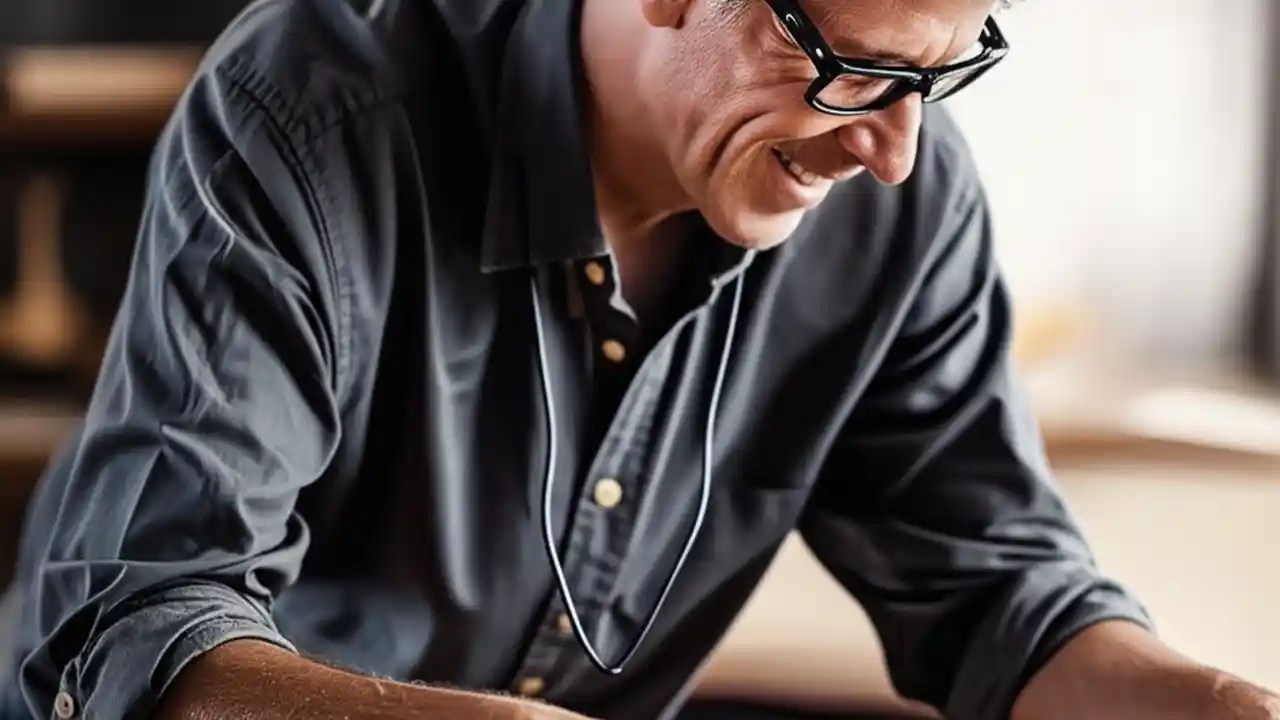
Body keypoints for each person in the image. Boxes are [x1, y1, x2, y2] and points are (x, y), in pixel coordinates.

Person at [2, 0, 1277, 718]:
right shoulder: (313, 113)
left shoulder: (902, 195)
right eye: (848, 71)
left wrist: (1212, 707)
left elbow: (1002, 603)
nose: (889, 152)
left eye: (938, 75)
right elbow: (136, 631)